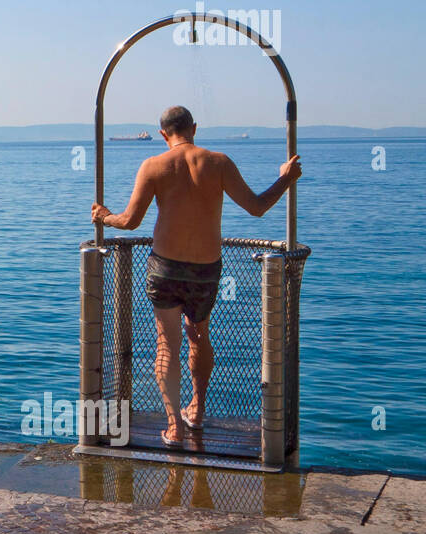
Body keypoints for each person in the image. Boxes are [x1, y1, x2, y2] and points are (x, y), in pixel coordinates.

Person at [90, 106, 301, 448]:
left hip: (165, 267)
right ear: (195, 129)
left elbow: (130, 222)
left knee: (166, 345)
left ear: (162, 135)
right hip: (205, 268)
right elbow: (257, 207)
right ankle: (198, 411)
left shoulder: (154, 166)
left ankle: (173, 427)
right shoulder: (218, 162)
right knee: (198, 335)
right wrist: (286, 178)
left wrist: (104, 216)